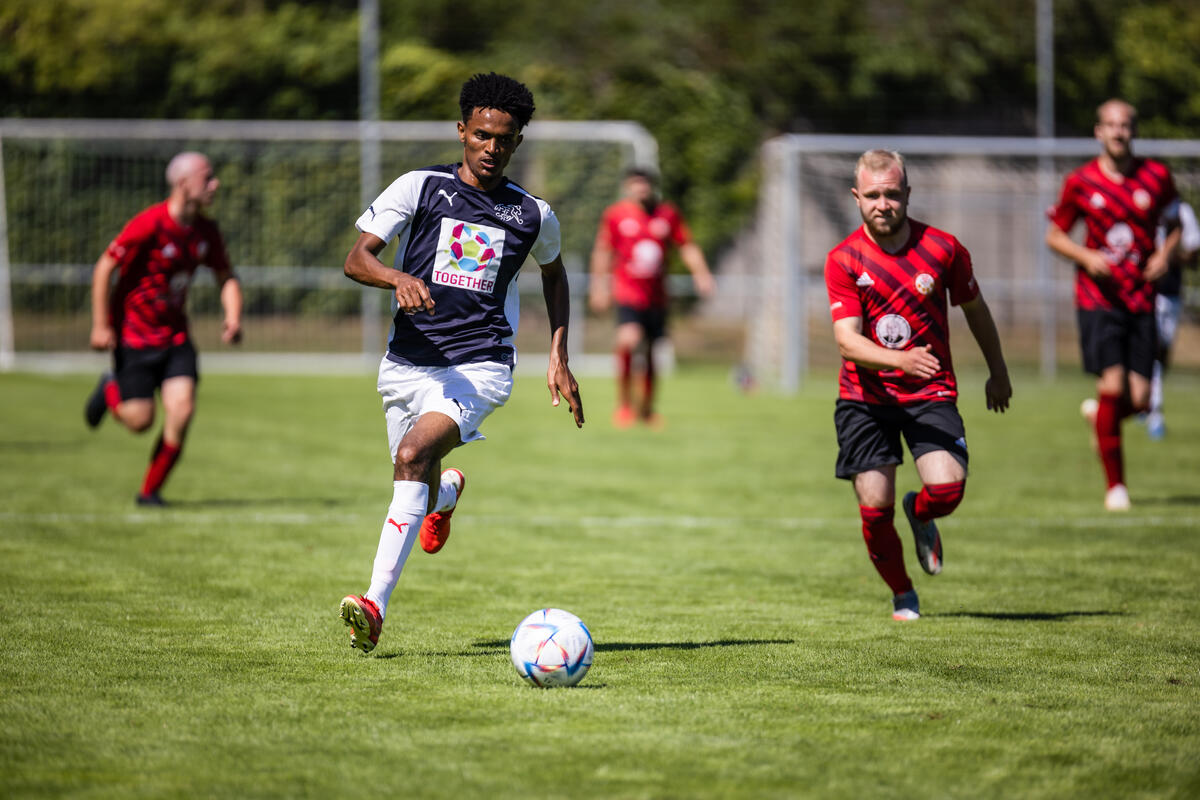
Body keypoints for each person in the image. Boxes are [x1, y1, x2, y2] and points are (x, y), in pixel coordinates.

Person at [338, 72, 585, 655]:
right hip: (407, 364)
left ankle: (373, 606)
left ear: (518, 140)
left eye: (503, 138)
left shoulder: (531, 215)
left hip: (480, 366)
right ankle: (444, 495)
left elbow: (555, 273)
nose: (491, 148)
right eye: (480, 135)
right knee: (413, 478)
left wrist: (559, 352)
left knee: (411, 454)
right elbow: (355, 260)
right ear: (462, 131)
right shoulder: (419, 187)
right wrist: (397, 277)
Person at [825, 149, 1011, 622]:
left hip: (929, 393)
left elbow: (976, 311)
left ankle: (922, 512)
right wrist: (899, 360)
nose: (882, 204)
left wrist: (999, 370)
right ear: (856, 197)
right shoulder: (844, 260)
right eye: (872, 195)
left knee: (948, 490)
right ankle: (904, 593)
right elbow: (848, 343)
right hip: (865, 400)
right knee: (874, 507)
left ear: (907, 194)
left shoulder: (944, 249)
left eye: (891, 194)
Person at [84, 151, 243, 506]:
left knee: (182, 410)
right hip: (134, 338)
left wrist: (232, 316)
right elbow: (103, 268)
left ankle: (149, 492)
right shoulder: (149, 224)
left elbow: (225, 276)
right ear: (185, 184)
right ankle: (110, 387)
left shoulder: (206, 231)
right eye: (208, 177)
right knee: (140, 421)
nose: (215, 184)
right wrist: (101, 325)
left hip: (174, 337)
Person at [1046, 99, 1180, 510]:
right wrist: (1086, 257)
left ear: (1133, 131)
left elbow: (1175, 225)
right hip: (1098, 299)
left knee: (1140, 400)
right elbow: (1056, 234)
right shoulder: (1082, 181)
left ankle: (1100, 417)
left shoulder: (1156, 176)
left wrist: (1165, 254)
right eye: (1110, 125)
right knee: (1112, 386)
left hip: (1142, 298)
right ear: (1098, 132)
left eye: (1125, 126)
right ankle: (1116, 488)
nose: (1118, 132)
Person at [588, 168, 715, 427]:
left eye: (645, 184)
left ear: (652, 187)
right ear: (627, 187)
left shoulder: (667, 214)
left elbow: (687, 245)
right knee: (628, 340)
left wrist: (702, 275)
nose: (641, 189)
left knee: (650, 353)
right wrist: (598, 287)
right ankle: (624, 405)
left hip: (656, 297)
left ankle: (646, 409)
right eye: (636, 184)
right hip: (627, 293)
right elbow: (603, 250)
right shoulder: (616, 215)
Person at [1146, 199, 1199, 439]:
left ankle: (1145, 399)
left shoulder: (1180, 210)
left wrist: (1167, 257)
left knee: (1162, 354)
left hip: (1172, 294)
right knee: (1153, 352)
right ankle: (1154, 411)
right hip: (1146, 294)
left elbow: (1193, 253)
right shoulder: (1140, 203)